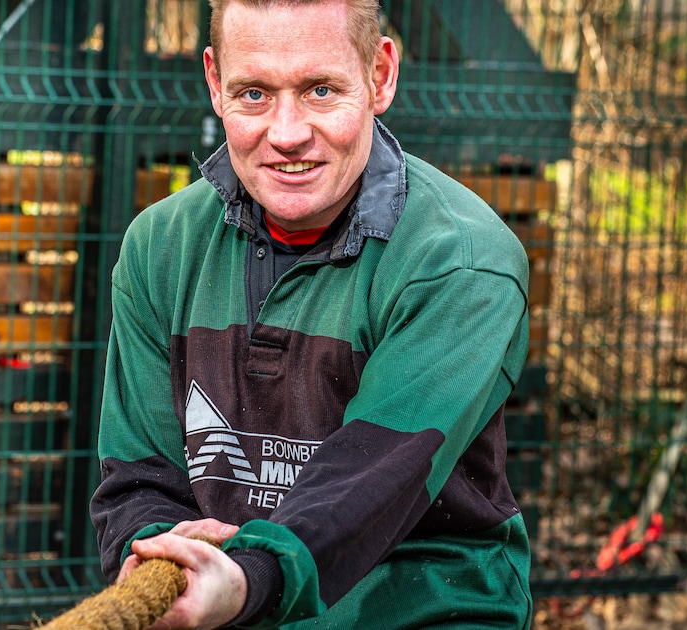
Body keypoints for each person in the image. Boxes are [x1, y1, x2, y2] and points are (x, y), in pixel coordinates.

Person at [89, 0, 533, 627]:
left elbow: (370, 483)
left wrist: (245, 580)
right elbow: (139, 474)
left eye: (320, 90)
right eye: (253, 94)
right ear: (215, 84)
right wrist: (156, 555)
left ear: (380, 77)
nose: (288, 133)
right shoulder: (161, 249)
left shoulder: (460, 263)